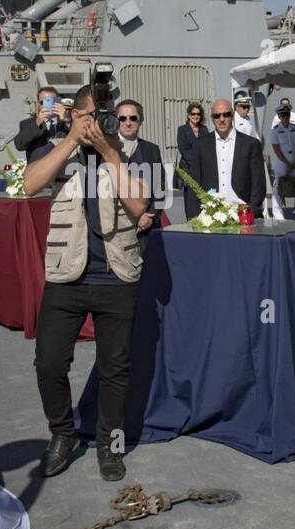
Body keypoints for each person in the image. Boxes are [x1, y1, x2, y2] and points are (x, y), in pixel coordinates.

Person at [23, 85, 149, 481]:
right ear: (76, 116)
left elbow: (140, 203)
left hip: (117, 273)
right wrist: (72, 140)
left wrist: (110, 152)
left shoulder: (129, 152)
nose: (98, 124)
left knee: (115, 367)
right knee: (49, 362)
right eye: (90, 116)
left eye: (103, 115)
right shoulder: (56, 147)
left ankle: (110, 442)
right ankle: (63, 434)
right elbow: (30, 184)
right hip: (66, 272)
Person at [184, 98, 267, 220]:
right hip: (211, 216)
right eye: (217, 116)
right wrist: (194, 218)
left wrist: (250, 211)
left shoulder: (251, 144)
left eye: (226, 115)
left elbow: (258, 184)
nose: (221, 119)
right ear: (212, 118)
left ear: (233, 115)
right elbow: (193, 184)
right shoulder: (200, 145)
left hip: (242, 215)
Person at [115, 99, 164, 233]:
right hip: (116, 226)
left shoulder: (152, 149)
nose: (128, 123)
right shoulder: (107, 148)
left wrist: (150, 215)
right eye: (123, 118)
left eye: (133, 118)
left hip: (147, 225)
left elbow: (160, 186)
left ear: (140, 121)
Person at [268, 102, 295, 219]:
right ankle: (278, 215)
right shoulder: (275, 131)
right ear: (279, 116)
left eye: (287, 114)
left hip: (294, 161)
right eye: (283, 115)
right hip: (282, 162)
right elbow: (277, 150)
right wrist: (287, 163)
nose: (285, 117)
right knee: (278, 189)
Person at [14, 84, 66, 161]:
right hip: (37, 169)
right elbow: (20, 145)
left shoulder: (66, 123)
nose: (48, 106)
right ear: (38, 104)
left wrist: (66, 121)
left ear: (58, 103)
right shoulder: (27, 123)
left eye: (52, 102)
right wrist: (37, 123)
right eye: (43, 102)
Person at [176, 102, 209, 169]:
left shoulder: (204, 129)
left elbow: (207, 148)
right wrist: (195, 161)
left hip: (202, 166)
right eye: (193, 114)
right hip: (187, 167)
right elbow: (183, 149)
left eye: (198, 114)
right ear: (189, 115)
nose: (196, 116)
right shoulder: (182, 130)